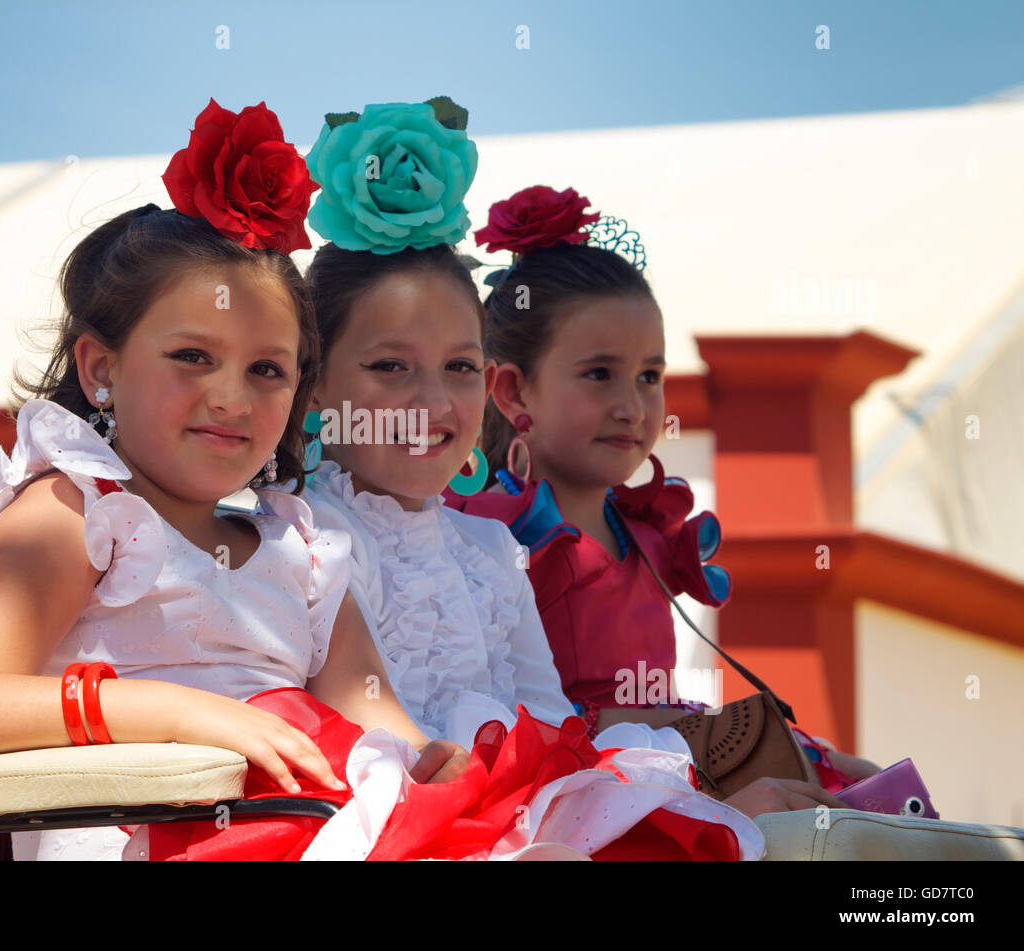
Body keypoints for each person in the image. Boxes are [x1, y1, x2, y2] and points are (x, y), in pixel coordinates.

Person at [0, 100, 470, 862]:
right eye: (193, 357)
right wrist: (186, 716)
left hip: (302, 827)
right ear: (101, 369)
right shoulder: (76, 511)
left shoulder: (299, 553)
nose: (232, 398)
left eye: (266, 369)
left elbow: (381, 722)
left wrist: (444, 767)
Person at [299, 99, 813, 852]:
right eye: (389, 367)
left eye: (460, 367)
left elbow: (556, 727)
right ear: (313, 381)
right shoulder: (302, 535)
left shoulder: (488, 552)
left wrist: (679, 786)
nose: (434, 402)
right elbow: (374, 749)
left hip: (519, 816)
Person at [444, 183, 880, 792]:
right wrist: (658, 727)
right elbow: (491, 708)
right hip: (579, 789)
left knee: (867, 785)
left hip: (677, 756)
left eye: (650, 375)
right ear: (516, 391)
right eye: (600, 374)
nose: (632, 405)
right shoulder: (498, 540)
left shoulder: (647, 531)